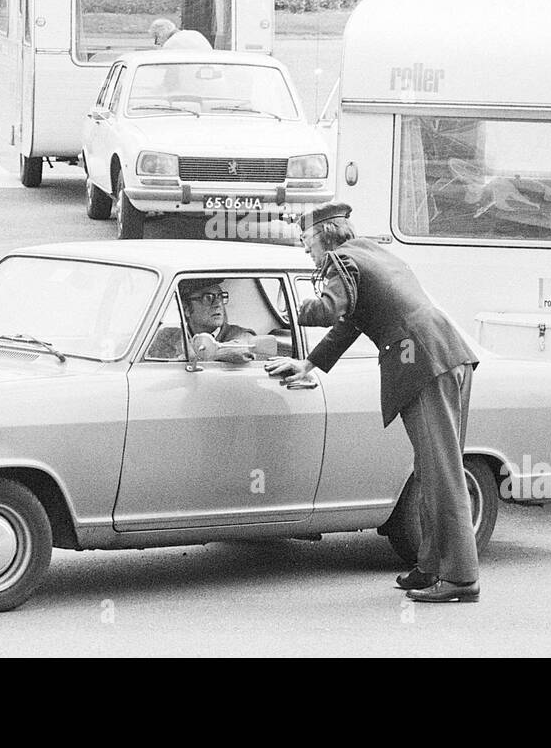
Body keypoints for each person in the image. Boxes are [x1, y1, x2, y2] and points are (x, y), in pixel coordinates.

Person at [265, 203, 482, 603]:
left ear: (322, 236)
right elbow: (351, 322)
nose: (306, 252)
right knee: (430, 469)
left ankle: (461, 578)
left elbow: (329, 310)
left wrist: (289, 307)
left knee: (442, 472)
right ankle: (431, 566)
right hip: (444, 355)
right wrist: (309, 364)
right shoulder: (370, 252)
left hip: (423, 361)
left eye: (305, 242)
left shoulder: (340, 261)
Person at [146, 278, 255, 360]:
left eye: (220, 296)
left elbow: (243, 350)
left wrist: (196, 355)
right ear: (186, 309)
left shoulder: (240, 334)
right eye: (208, 298)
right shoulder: (166, 336)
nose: (218, 304)